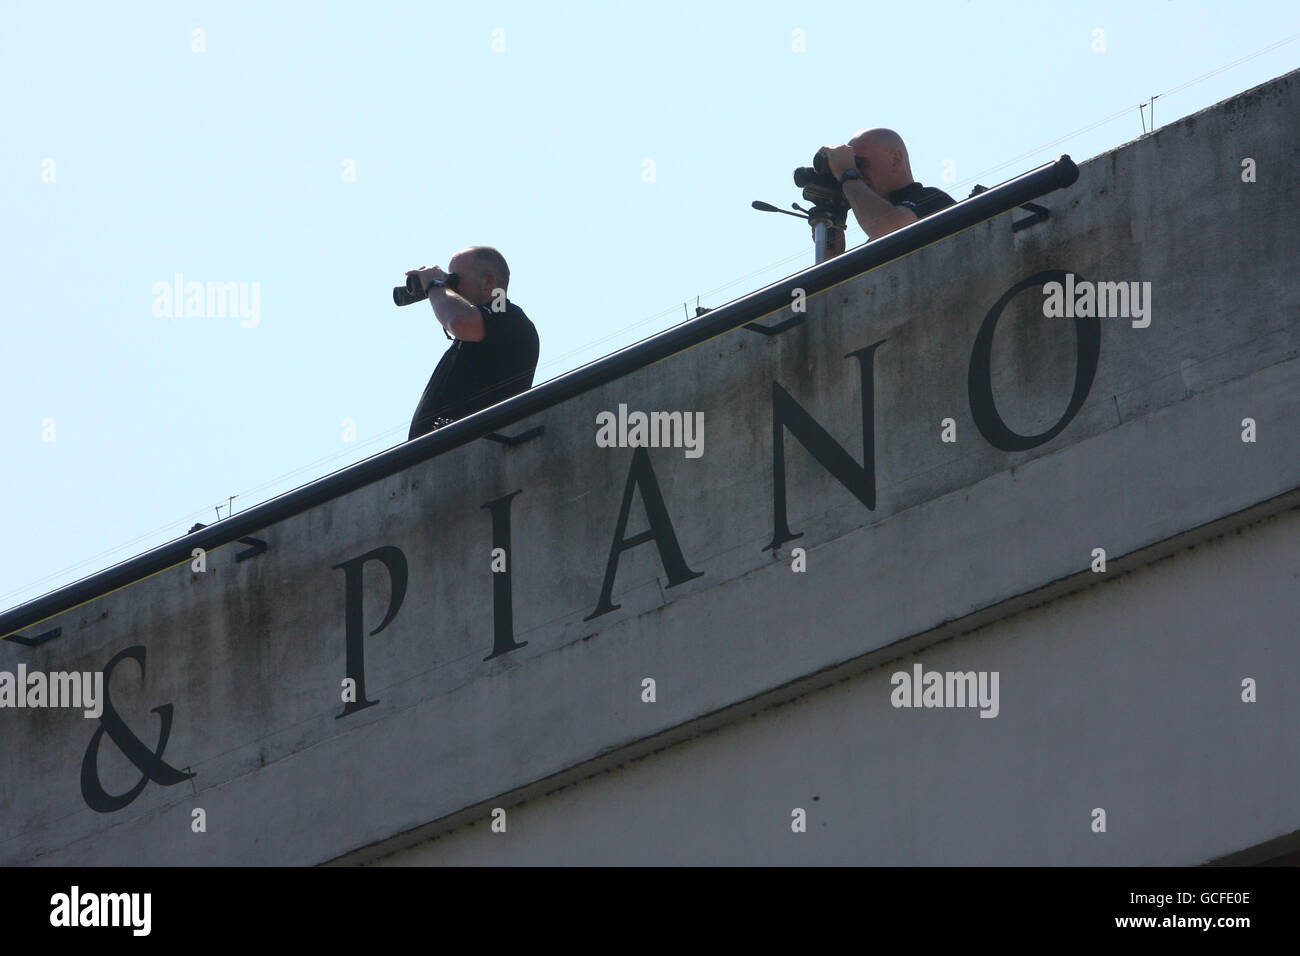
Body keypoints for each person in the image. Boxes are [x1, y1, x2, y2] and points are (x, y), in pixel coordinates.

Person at [405, 246, 539, 440]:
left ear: (488, 281)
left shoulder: (509, 317)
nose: (450, 287)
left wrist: (434, 285)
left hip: (479, 457)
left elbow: (459, 322)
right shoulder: (470, 340)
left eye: (454, 279)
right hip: (439, 461)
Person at [817, 128, 956, 257]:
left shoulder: (932, 199)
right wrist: (834, 255)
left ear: (895, 159)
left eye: (859, 164)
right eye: (852, 167)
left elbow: (885, 230)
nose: (857, 174)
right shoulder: (875, 233)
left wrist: (846, 174)